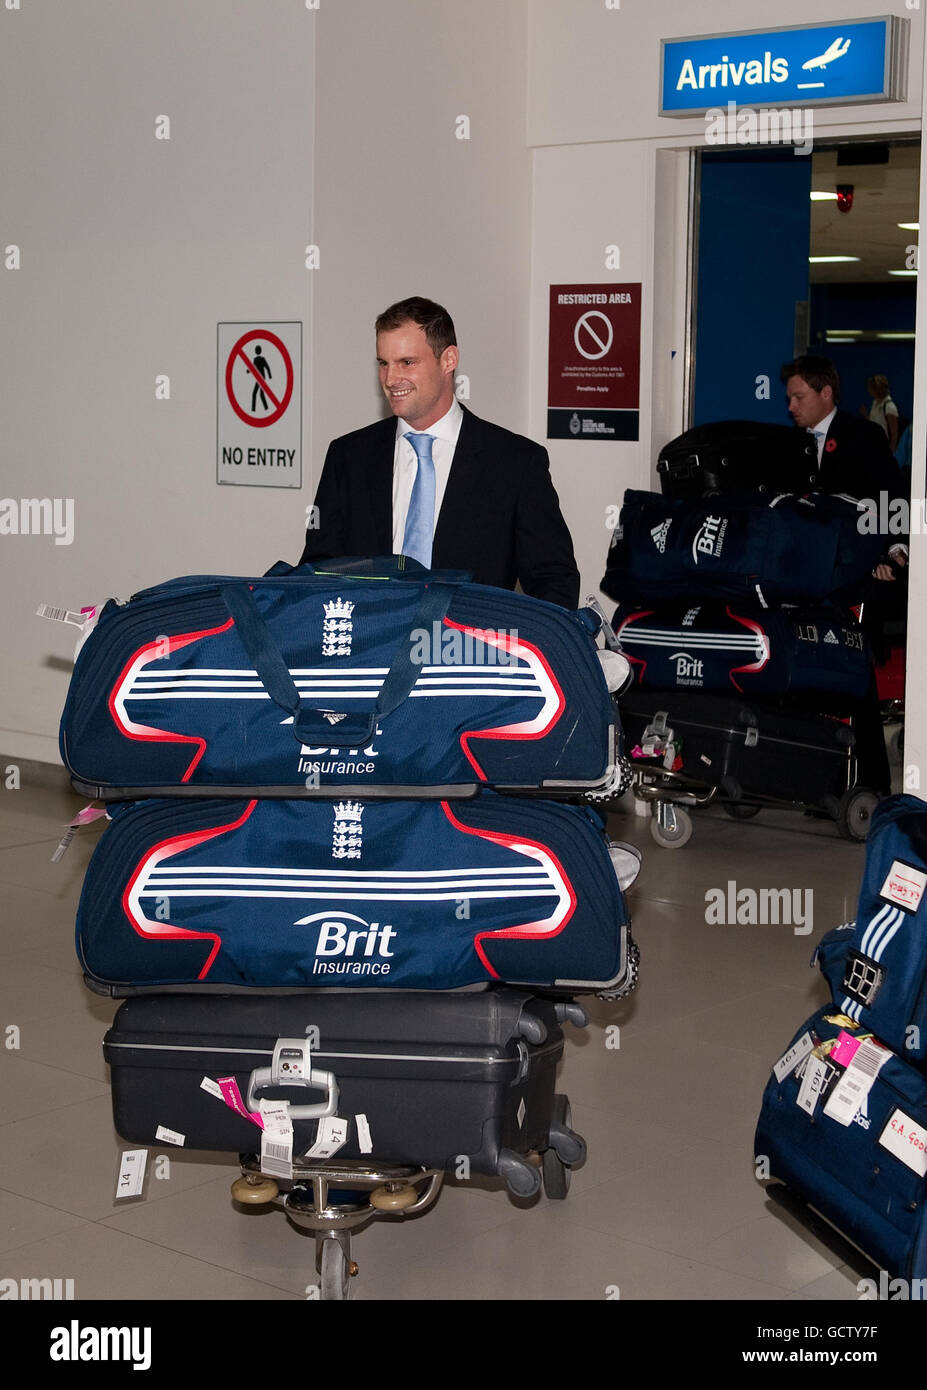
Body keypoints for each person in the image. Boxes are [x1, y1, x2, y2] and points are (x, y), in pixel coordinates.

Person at [299, 296, 580, 609]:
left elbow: (554, 582)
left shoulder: (515, 462)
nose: (391, 380)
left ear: (448, 360)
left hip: (470, 650)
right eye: (383, 363)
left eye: (407, 362)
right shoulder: (348, 457)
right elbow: (318, 572)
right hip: (368, 650)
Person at [781, 355, 906, 795]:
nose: (791, 406)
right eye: (789, 397)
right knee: (814, 671)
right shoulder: (791, 446)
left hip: (859, 576)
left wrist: (892, 551)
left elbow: (891, 498)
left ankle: (872, 784)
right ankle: (822, 779)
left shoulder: (862, 437)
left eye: (799, 397)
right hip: (811, 578)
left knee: (855, 675)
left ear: (825, 393)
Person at [866, 374, 900, 453]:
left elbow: (894, 435)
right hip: (874, 446)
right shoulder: (875, 403)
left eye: (871, 388)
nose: (869, 390)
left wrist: (890, 454)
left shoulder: (889, 406)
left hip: (884, 448)